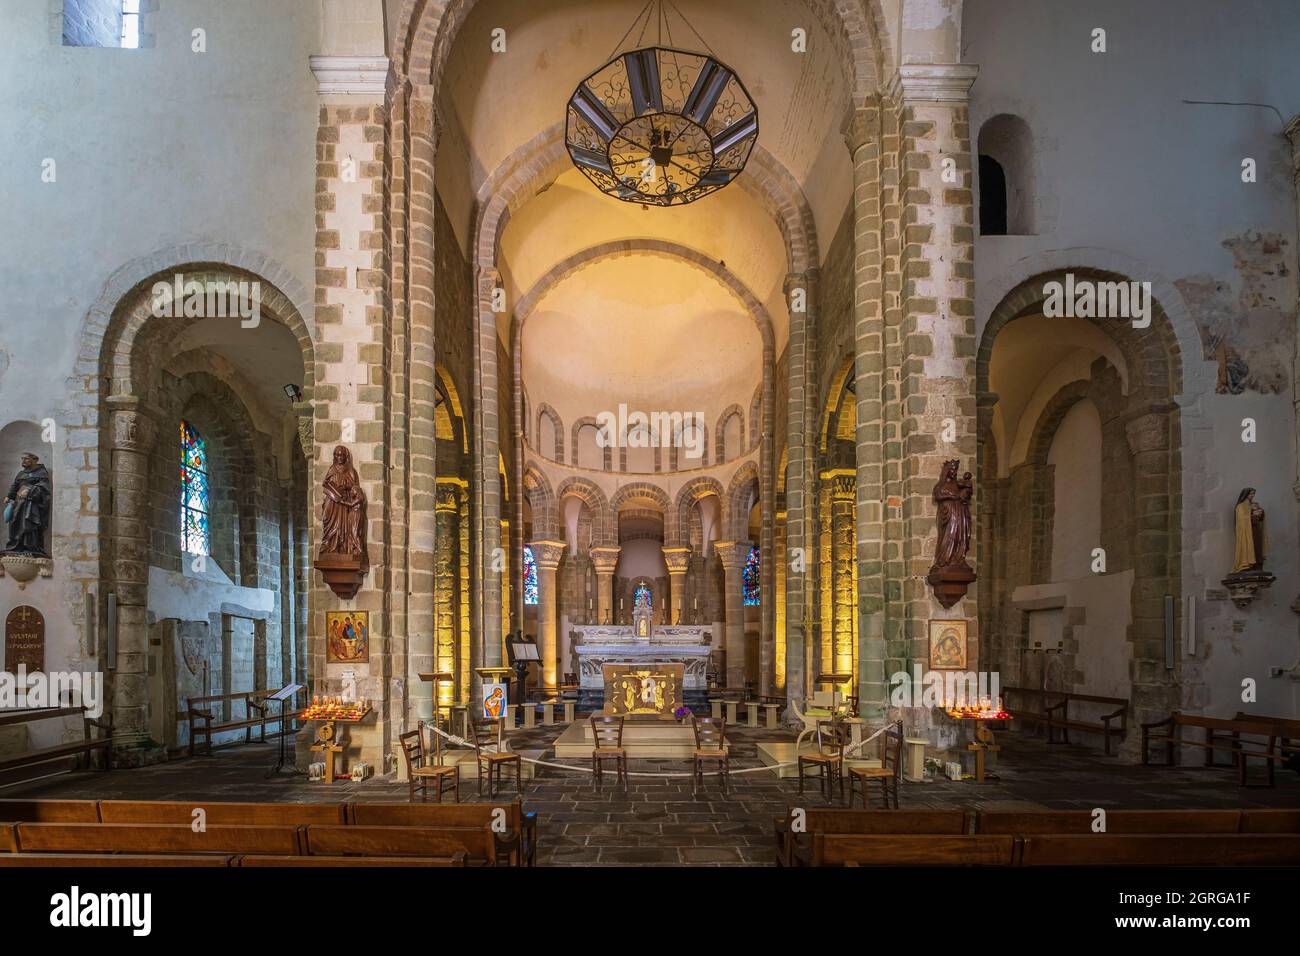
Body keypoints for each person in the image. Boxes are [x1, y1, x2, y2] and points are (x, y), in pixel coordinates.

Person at [320, 445, 367, 563]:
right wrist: (330, 488)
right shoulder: (332, 469)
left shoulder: (350, 470)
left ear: (346, 456)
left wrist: (345, 487)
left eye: (341, 455)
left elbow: (355, 489)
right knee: (327, 520)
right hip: (332, 502)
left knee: (342, 526)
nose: (339, 457)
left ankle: (340, 546)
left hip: (343, 504)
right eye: (337, 455)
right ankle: (329, 546)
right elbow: (325, 484)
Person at [4, 452, 52, 557]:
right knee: (15, 522)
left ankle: (30, 546)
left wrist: (30, 490)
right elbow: (15, 485)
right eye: (23, 459)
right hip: (18, 503)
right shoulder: (21, 473)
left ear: (34, 460)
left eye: (26, 459)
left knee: (29, 523)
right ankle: (16, 546)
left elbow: (44, 488)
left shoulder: (41, 473)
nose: (23, 461)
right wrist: (9, 496)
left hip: (31, 504)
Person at [1232, 488, 1266, 573]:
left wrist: (1261, 513)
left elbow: (1261, 518)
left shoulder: (1254, 504)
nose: (1252, 496)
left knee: (1258, 547)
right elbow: (1241, 520)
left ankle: (1258, 565)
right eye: (1251, 494)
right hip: (1247, 532)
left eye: (1253, 494)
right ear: (1246, 494)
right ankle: (1247, 565)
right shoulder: (1240, 506)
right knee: (1248, 546)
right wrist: (1253, 515)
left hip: (1256, 530)